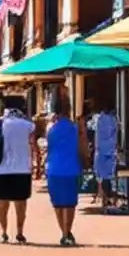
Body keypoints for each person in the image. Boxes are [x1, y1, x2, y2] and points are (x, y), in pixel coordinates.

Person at [0, 96, 38, 244]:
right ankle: (20, 232)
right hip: (22, 169)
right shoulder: (28, 124)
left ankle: (3, 232)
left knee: (2, 204)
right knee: (21, 204)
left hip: (0, 169)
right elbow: (33, 144)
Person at [44, 99, 87, 246]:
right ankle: (66, 232)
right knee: (69, 203)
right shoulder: (75, 128)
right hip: (71, 168)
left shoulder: (51, 128)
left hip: (53, 168)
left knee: (58, 204)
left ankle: (64, 232)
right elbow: (82, 146)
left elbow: (48, 147)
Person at [93, 103, 119, 208]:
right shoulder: (113, 120)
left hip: (101, 151)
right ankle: (111, 200)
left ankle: (104, 200)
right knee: (111, 177)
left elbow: (96, 135)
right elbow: (116, 133)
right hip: (111, 150)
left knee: (103, 177)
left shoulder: (99, 119)